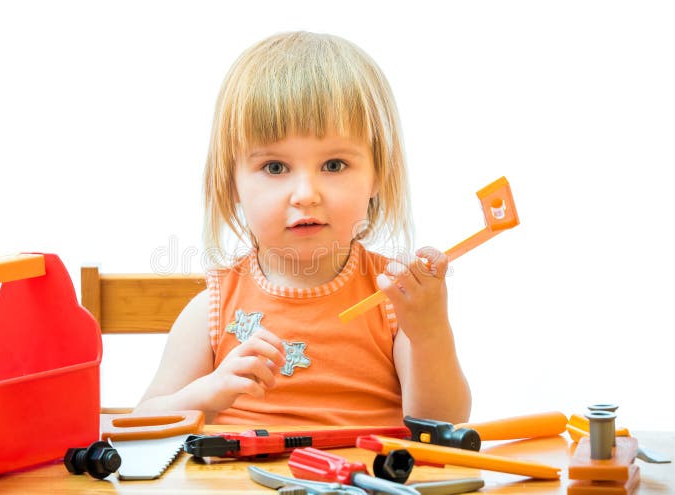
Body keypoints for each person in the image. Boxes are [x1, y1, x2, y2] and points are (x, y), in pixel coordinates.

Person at [135, 31, 471, 426]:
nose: (306, 194)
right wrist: (206, 393)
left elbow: (442, 424)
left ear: (378, 174)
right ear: (231, 182)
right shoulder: (214, 306)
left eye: (334, 165)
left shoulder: (391, 301)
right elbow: (141, 421)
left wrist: (430, 332)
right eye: (275, 167)